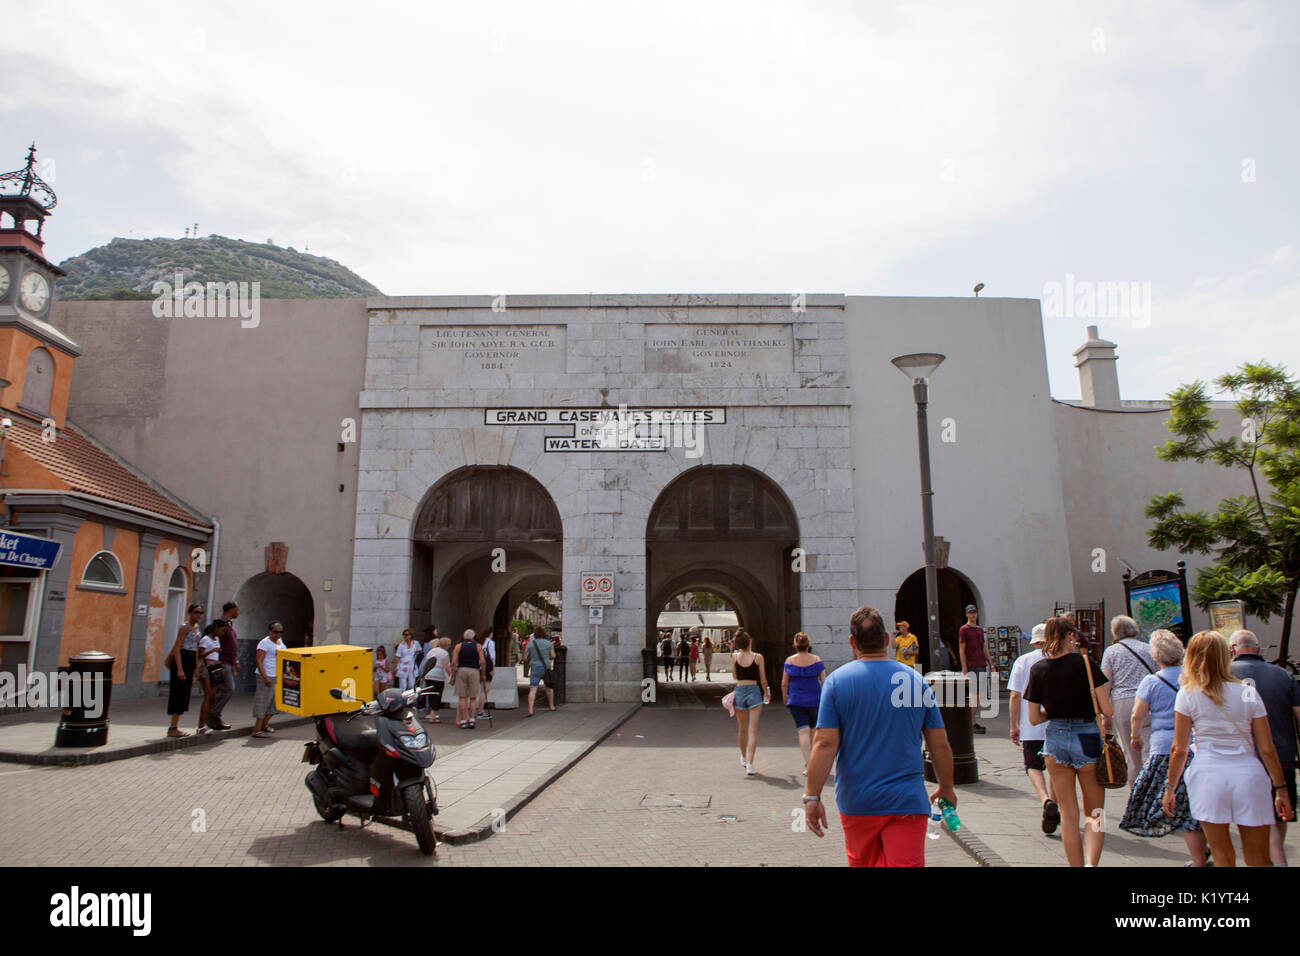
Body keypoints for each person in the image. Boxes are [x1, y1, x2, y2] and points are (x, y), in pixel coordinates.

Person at [804, 606, 956, 867]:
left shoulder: (837, 683)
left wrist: (812, 796)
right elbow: (939, 743)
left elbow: (825, 743)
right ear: (887, 639)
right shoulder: (914, 681)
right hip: (907, 800)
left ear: (852, 643)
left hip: (858, 801)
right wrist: (946, 787)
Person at [1165, 630, 1294, 867]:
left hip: (1208, 777)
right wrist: (1281, 789)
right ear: (1226, 656)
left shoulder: (1188, 694)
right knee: (1259, 858)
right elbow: (1267, 749)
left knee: (1222, 856)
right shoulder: (1247, 692)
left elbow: (1179, 749)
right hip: (1248, 775)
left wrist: (1170, 787)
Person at [1025, 615, 1113, 867]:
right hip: (1087, 735)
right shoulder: (1085, 664)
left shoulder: (1038, 669)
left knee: (1068, 814)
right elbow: (1107, 710)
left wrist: (1055, 709)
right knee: (1095, 812)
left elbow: (1033, 718)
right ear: (1070, 637)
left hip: (1056, 737)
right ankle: (1091, 864)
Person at [1118, 629, 1207, 865]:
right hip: (1195, 744)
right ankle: (1206, 847)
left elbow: (1137, 715)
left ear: (1156, 657)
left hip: (1163, 745)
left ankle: (1195, 853)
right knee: (1196, 801)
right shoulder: (1193, 677)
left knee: (1161, 795)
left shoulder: (1151, 681)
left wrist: (1135, 736)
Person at [1229, 628, 1300, 865]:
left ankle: (1276, 861)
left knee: (1255, 821)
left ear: (1232, 649)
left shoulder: (1224, 675)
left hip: (1241, 760)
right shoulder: (1283, 676)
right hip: (1282, 757)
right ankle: (1277, 858)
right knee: (1278, 816)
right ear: (1258, 649)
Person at [1007, 622, 1059, 834]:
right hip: (1057, 723)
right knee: (1056, 767)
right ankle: (1054, 802)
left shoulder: (1023, 661)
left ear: (1035, 642)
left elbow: (1015, 695)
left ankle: (1045, 798)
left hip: (1031, 724)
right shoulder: (1058, 658)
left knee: (1033, 765)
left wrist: (1014, 725)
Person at [1101, 614, 1157, 784]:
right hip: (1148, 699)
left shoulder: (1111, 652)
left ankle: (1135, 789)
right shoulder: (1148, 648)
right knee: (1149, 743)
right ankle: (1153, 781)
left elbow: (1106, 683)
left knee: (1130, 750)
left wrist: (1106, 714)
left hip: (1122, 702)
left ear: (1115, 632)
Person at [782, 632, 826, 773]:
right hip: (814, 700)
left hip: (796, 700)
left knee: (803, 732)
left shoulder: (789, 661)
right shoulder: (816, 660)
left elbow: (784, 682)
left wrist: (785, 696)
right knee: (813, 731)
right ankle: (815, 762)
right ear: (808, 645)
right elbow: (824, 681)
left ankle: (809, 765)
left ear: (795, 645)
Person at [730, 629, 770, 775]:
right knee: (753, 730)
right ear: (750, 642)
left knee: (741, 728)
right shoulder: (758, 657)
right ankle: (751, 764)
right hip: (754, 690)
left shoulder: (734, 657)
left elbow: (734, 676)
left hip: (740, 689)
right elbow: (763, 679)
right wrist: (766, 692)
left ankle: (743, 756)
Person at [164, 603, 204, 737]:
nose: (198, 615)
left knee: (185, 694)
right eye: (196, 612)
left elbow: (196, 649)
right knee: (178, 693)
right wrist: (180, 669)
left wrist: (197, 668)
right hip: (182, 659)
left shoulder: (197, 628)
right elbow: (177, 648)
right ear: (190, 613)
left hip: (190, 660)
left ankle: (175, 725)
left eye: (200, 613)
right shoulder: (184, 627)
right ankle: (173, 727)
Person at [207, 600, 240, 731]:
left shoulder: (229, 624)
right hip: (222, 661)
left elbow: (231, 644)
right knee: (228, 689)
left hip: (229, 661)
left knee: (224, 690)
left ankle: (216, 717)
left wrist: (236, 661)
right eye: (237, 609)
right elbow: (213, 639)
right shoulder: (221, 624)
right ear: (230, 610)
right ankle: (213, 715)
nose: (238, 612)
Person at [958, 604, 990, 734]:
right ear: (966, 614)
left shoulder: (979, 629)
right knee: (974, 695)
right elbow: (962, 648)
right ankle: (969, 722)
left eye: (974, 612)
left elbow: (984, 646)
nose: (972, 615)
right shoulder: (963, 629)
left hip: (981, 663)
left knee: (979, 695)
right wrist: (964, 666)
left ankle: (972, 721)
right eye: (970, 613)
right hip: (971, 665)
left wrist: (991, 663)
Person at [252, 621, 286, 738]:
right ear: (270, 631)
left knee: (274, 703)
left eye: (281, 632)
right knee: (263, 702)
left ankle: (265, 724)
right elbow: (259, 661)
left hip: (277, 676)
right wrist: (265, 677)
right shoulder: (264, 643)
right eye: (276, 632)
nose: (278, 634)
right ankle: (257, 730)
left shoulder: (280, 642)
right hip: (266, 676)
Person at [195, 618, 227, 736]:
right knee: (208, 696)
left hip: (215, 669)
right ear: (216, 628)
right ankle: (201, 726)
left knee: (213, 696)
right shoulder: (205, 640)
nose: (222, 634)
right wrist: (212, 650)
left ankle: (207, 722)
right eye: (222, 631)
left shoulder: (217, 639)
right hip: (206, 669)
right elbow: (200, 654)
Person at [449, 628, 484, 729]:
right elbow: (482, 661)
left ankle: (463, 720)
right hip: (474, 670)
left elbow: (454, 662)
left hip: (462, 670)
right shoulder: (478, 646)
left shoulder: (458, 646)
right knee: (473, 697)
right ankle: (472, 719)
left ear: (464, 637)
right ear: (473, 637)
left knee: (462, 697)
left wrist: (452, 674)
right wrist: (483, 674)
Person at [417, 636, 451, 722]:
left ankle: (432, 714)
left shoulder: (431, 651)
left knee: (431, 694)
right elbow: (446, 666)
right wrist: (451, 675)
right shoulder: (444, 653)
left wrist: (424, 674)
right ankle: (433, 715)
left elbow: (426, 663)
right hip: (439, 676)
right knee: (437, 695)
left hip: (429, 675)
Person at [526, 625, 556, 716]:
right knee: (549, 688)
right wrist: (547, 657)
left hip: (534, 667)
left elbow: (524, 657)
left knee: (533, 689)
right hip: (546, 667)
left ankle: (530, 709)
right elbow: (553, 656)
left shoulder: (531, 644)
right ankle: (551, 706)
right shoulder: (548, 643)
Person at [477, 627, 496, 719]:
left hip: (479, 667)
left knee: (482, 690)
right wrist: (493, 668)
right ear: (490, 634)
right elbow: (492, 657)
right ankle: (480, 711)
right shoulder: (490, 643)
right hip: (487, 667)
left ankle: (480, 710)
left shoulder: (479, 642)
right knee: (485, 690)